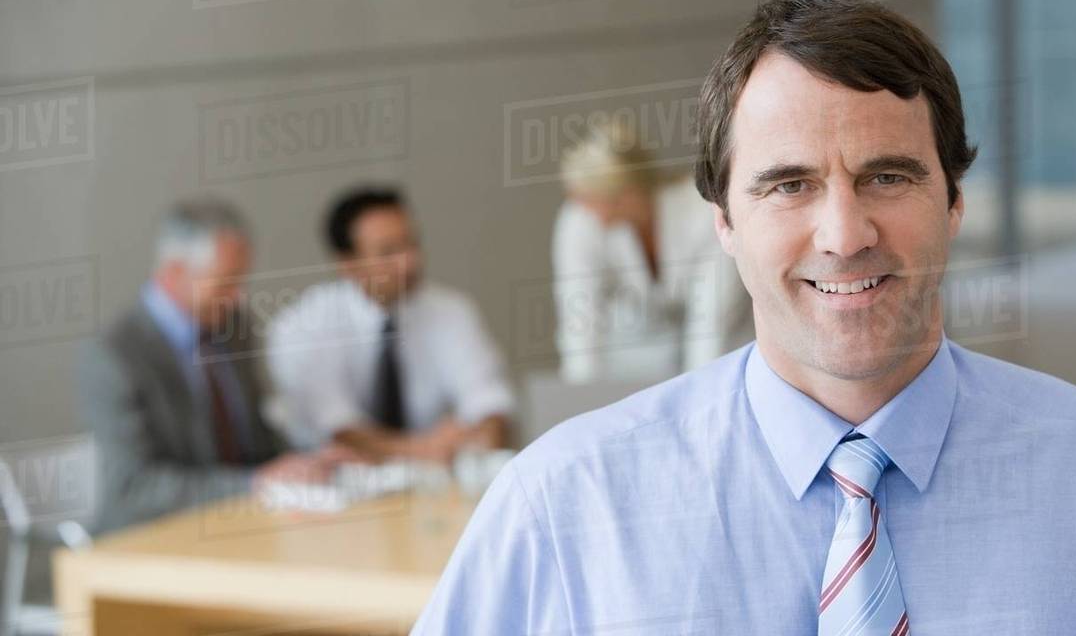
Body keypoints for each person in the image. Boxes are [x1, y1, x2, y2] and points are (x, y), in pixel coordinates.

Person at [412, 0, 1076, 634]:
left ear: (955, 201)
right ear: (724, 222)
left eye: (888, 177)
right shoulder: (560, 509)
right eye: (789, 185)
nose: (845, 236)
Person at [77, 199, 345, 534]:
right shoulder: (114, 355)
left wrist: (310, 460)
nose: (237, 298)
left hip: (242, 525)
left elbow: (255, 434)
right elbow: (134, 487)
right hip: (153, 537)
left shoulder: (232, 326)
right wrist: (253, 484)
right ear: (175, 273)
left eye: (241, 282)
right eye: (225, 284)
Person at [266, 186, 514, 464]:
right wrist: (425, 450)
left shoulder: (451, 311)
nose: (409, 262)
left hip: (434, 480)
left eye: (411, 244)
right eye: (388, 252)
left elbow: (490, 404)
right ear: (348, 265)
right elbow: (337, 428)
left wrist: (480, 437)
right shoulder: (303, 325)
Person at [553, 119, 753, 382]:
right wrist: (579, 395)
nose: (588, 210)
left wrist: (700, 390)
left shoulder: (702, 214)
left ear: (628, 191)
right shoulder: (581, 219)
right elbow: (579, 315)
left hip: (723, 347)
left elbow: (711, 321)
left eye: (598, 199)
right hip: (638, 357)